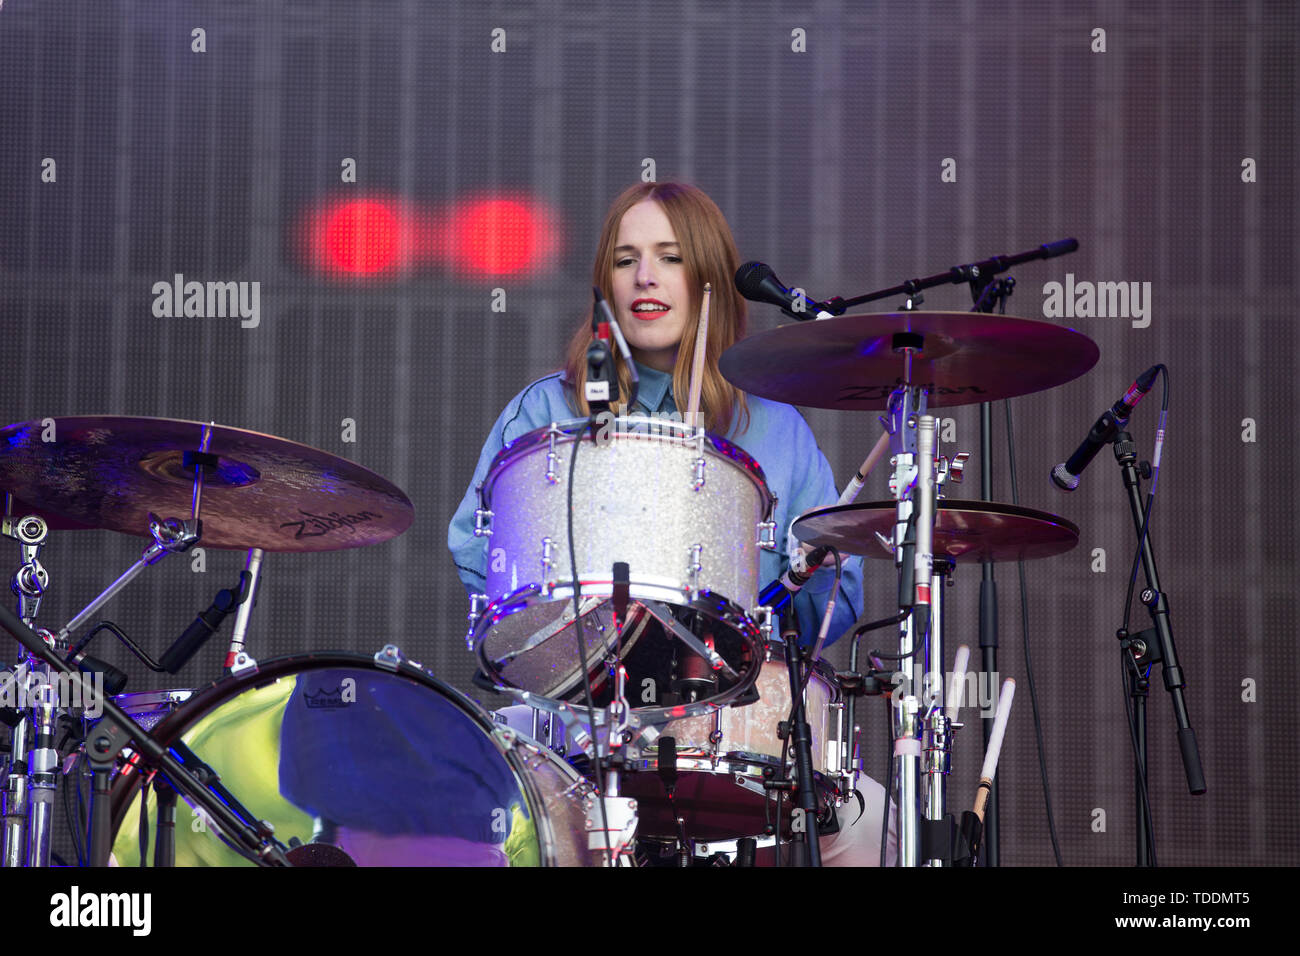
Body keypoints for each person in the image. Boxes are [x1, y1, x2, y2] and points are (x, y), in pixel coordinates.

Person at [448, 181, 895, 866]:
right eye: (626, 260)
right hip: (568, 727)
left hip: (736, 732)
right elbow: (478, 550)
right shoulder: (544, 411)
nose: (646, 277)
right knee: (461, 802)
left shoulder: (775, 426)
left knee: (873, 831)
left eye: (670, 257)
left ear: (709, 278)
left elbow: (836, 604)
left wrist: (808, 585)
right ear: (605, 285)